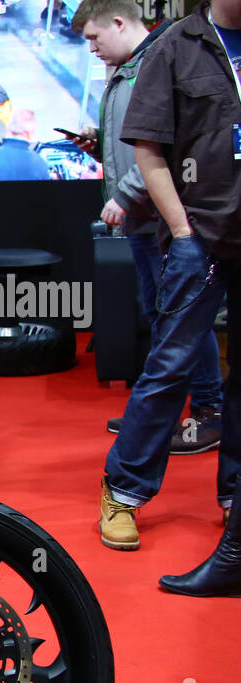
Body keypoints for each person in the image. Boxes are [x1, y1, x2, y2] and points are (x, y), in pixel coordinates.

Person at [97, 0, 241, 551]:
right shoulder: (177, 47)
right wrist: (181, 229)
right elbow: (150, 153)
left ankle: (235, 498)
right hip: (198, 236)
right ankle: (124, 491)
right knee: (169, 366)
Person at [72, 0, 223, 456]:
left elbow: (165, 147)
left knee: (180, 322)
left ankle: (209, 412)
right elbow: (136, 145)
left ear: (120, 22)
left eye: (96, 38)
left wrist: (127, 194)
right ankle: (165, 416)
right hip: (145, 220)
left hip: (163, 220)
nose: (93, 48)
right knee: (164, 320)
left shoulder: (159, 63)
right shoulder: (126, 72)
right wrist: (100, 150)